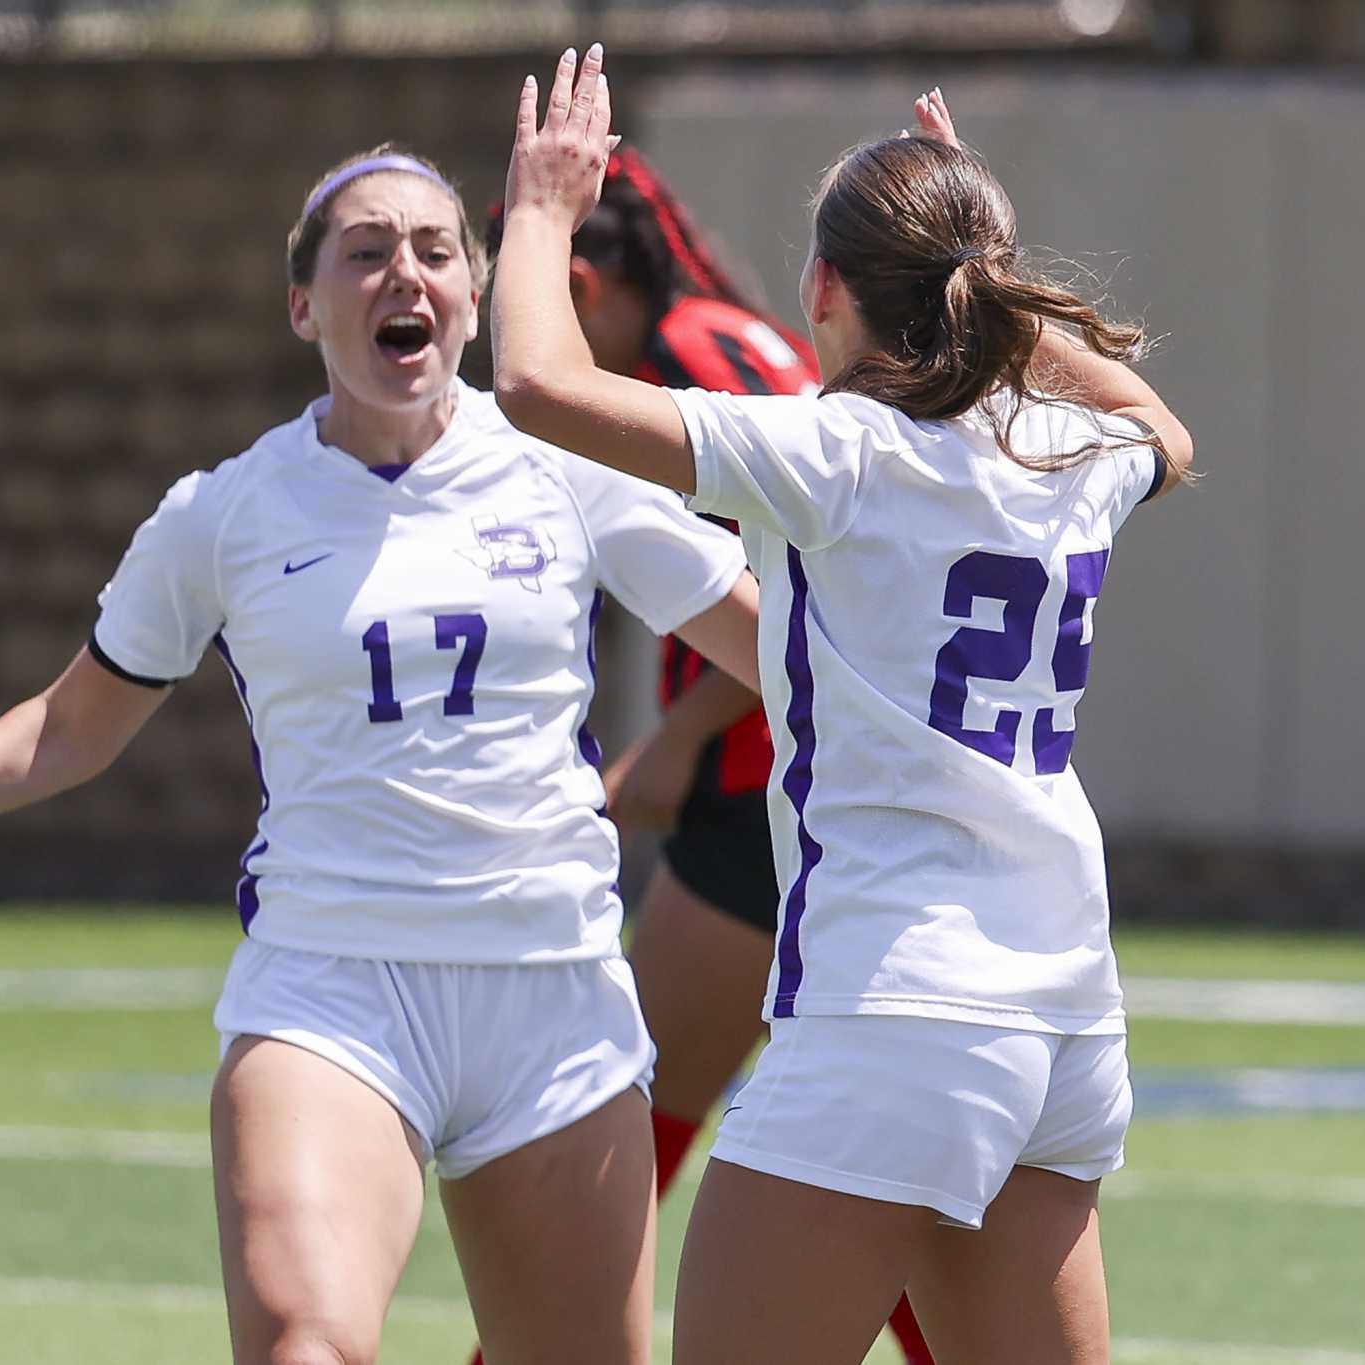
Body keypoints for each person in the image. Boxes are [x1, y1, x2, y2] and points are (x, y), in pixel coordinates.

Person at [0, 146, 762, 1364]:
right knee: (305, 1343)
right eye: (363, 251)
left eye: (431, 249)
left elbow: (783, 651)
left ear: (474, 290)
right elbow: (70, 724)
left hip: (553, 992)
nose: (399, 272)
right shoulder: (225, 512)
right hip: (336, 992)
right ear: (303, 304)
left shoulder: (569, 471)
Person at [494, 55, 1191, 1365]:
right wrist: (998, 296)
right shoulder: (1068, 453)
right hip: (1064, 1017)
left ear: (823, 290)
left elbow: (537, 385)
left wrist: (540, 210)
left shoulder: (843, 452)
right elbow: (1167, 429)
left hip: (896, 1008)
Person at [474, 150, 937, 1365]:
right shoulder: (718, 341)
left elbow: (809, 597)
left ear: (584, 278)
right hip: (807, 798)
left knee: (619, 1141)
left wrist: (673, 744)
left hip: (767, 799)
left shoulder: (697, 353)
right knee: (848, 1177)